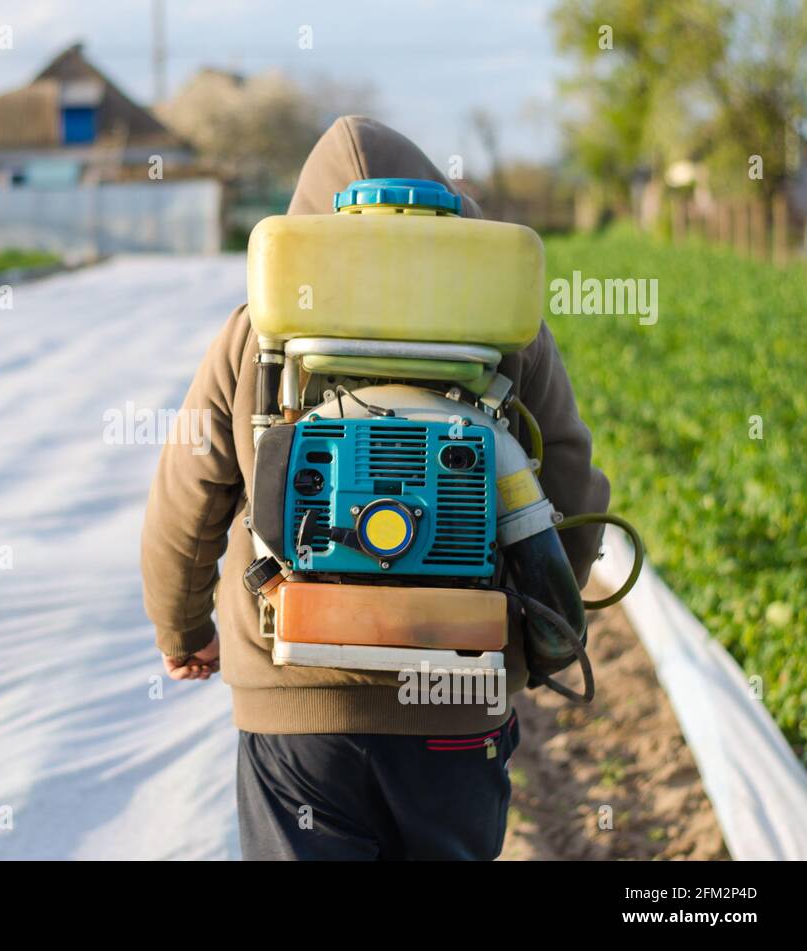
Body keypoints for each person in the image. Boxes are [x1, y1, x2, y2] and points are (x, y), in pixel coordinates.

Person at [140, 116, 609, 861]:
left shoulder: (256, 332)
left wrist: (183, 629)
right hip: (457, 701)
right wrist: (542, 638)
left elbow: (186, 496)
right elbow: (571, 488)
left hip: (298, 707)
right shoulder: (508, 330)